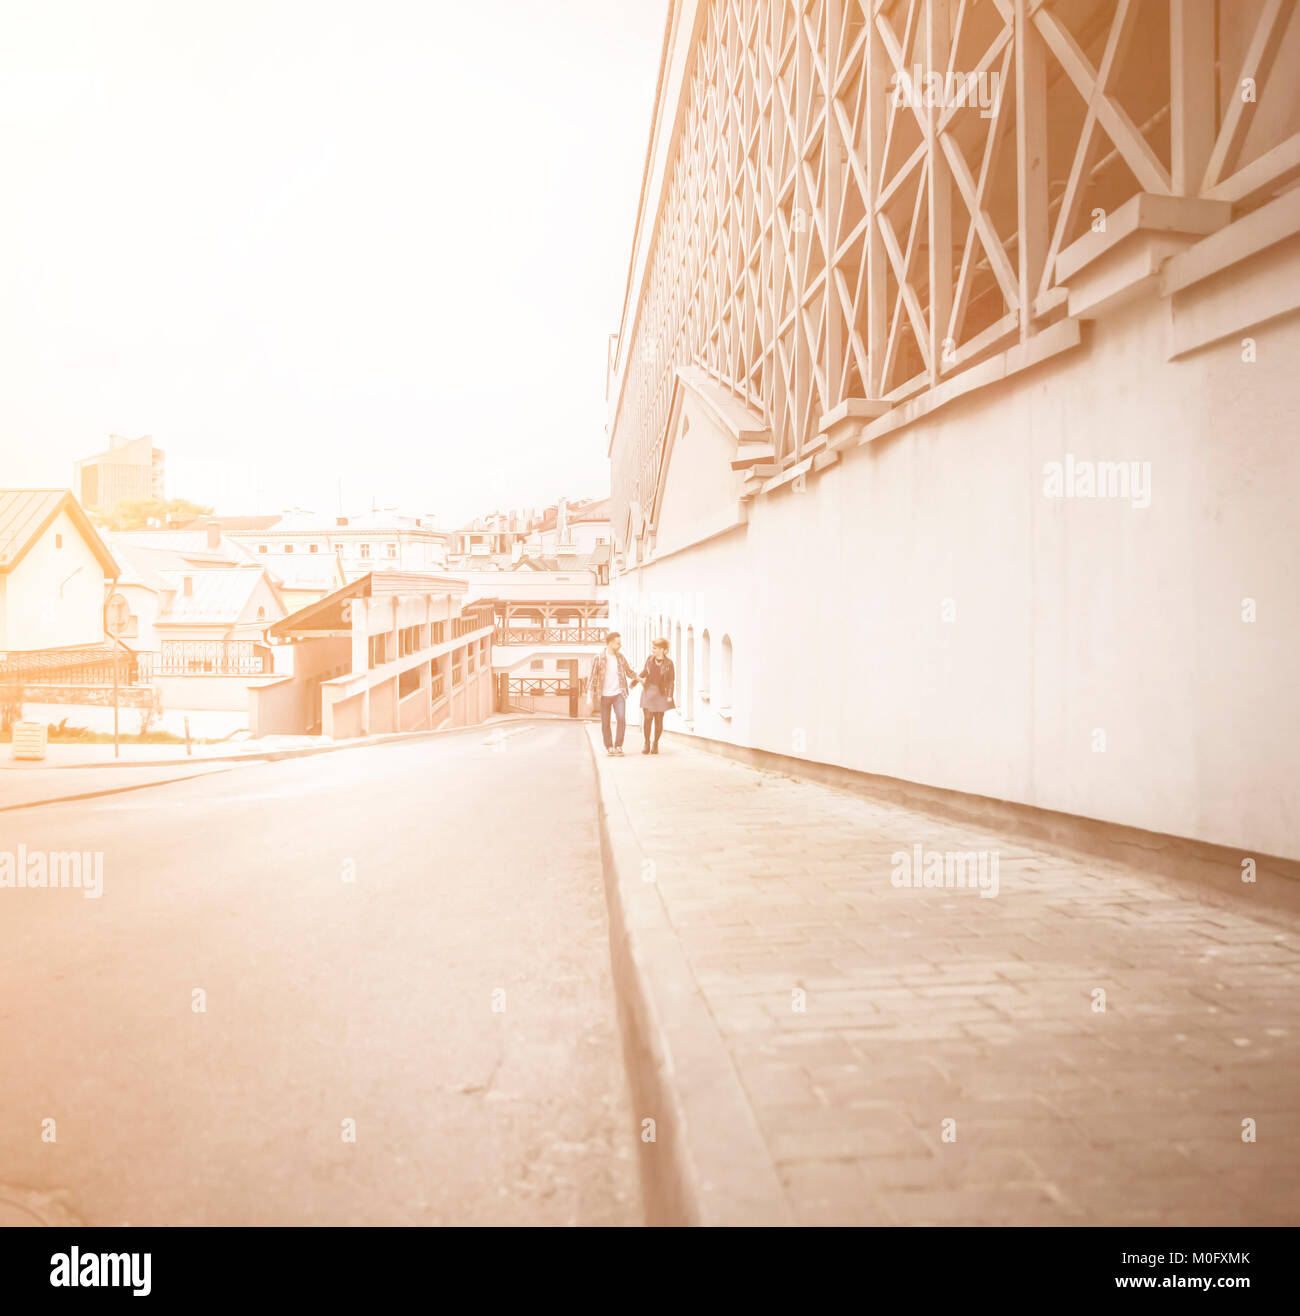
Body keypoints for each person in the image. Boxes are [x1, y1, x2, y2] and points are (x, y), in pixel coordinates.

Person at [587, 631, 639, 756]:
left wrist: (639, 678)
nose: (620, 645)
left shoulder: (620, 657)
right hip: (604, 695)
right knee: (605, 722)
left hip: (619, 694)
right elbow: (592, 678)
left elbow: (628, 671)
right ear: (610, 643)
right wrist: (589, 697)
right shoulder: (599, 658)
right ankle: (609, 746)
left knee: (621, 719)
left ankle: (618, 746)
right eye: (618, 643)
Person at [637, 638, 675, 754]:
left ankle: (655, 743)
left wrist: (669, 695)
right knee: (647, 718)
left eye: (655, 648)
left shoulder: (669, 663)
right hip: (649, 691)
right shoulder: (649, 659)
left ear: (662, 650)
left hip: (661, 693)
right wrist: (636, 679)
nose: (652, 650)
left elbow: (670, 681)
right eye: (652, 647)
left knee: (658, 720)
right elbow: (645, 671)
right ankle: (646, 743)